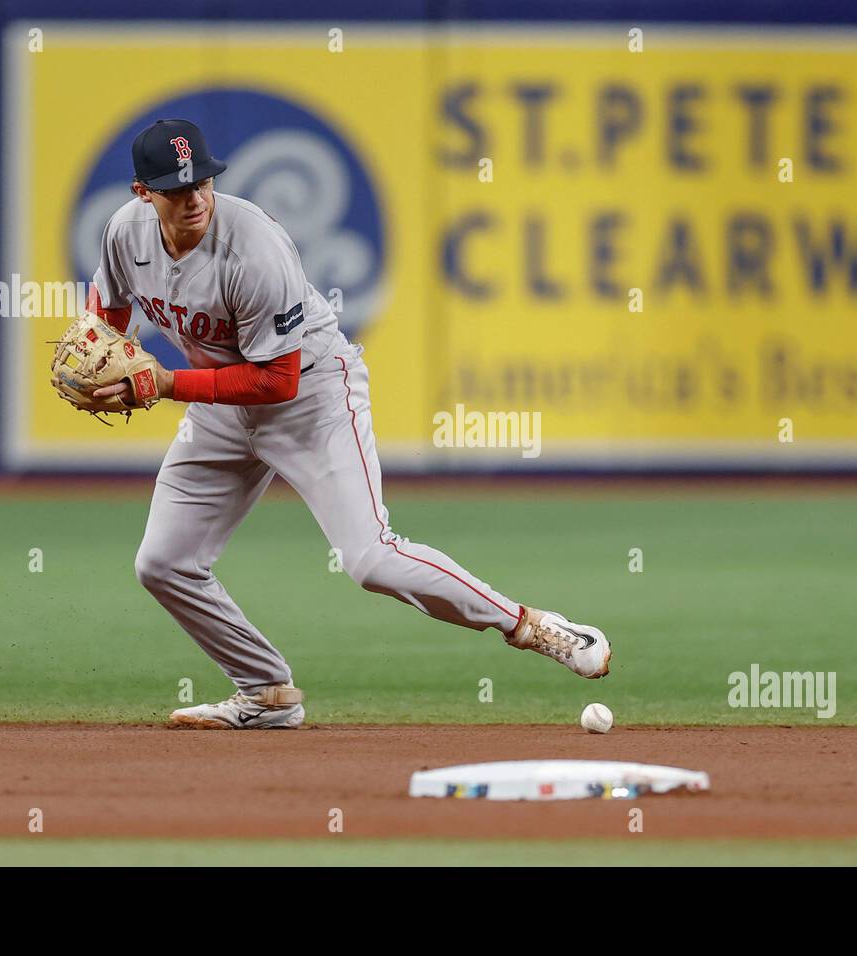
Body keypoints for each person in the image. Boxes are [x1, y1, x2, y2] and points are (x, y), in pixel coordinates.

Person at [88, 119, 611, 729]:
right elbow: (112, 305)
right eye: (176, 189)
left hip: (311, 395)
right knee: (162, 564)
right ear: (142, 193)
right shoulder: (125, 234)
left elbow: (273, 380)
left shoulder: (254, 248)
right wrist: (104, 355)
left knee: (371, 560)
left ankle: (530, 626)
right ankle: (265, 692)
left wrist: (163, 384)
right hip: (220, 405)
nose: (195, 197)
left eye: (202, 181)